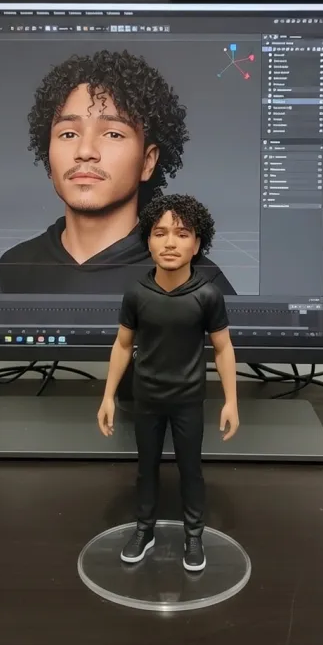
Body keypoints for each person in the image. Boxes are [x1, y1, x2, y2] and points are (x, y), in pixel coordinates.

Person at [0, 49, 236, 295]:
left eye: (113, 134)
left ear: (147, 162)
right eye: (68, 134)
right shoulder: (14, 269)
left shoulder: (197, 281)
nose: (85, 151)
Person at [97, 194, 240, 571]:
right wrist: (108, 396)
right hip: (146, 398)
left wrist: (231, 401)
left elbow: (223, 349)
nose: (170, 242)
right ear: (147, 240)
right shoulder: (137, 293)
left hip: (189, 400)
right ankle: (144, 529)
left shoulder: (208, 295)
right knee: (146, 467)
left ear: (197, 243)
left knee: (190, 469)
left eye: (181, 233)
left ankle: (194, 535)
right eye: (160, 233)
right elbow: (123, 344)